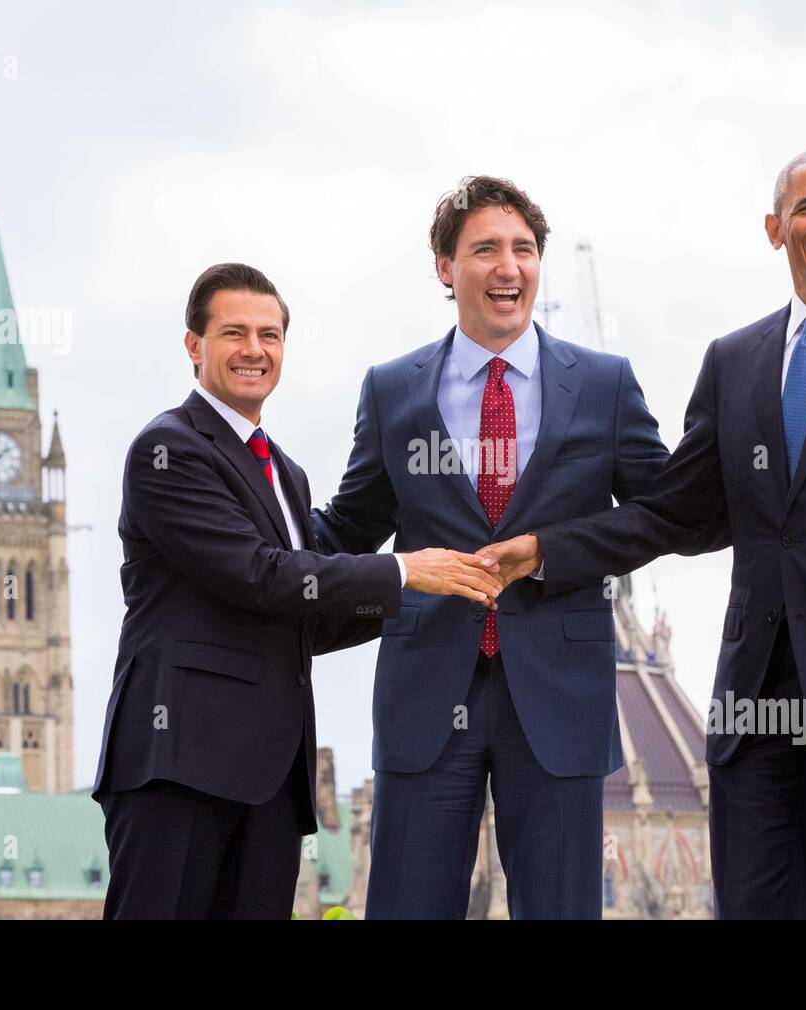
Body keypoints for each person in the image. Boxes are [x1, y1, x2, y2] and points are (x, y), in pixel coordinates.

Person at [485, 148, 806, 919]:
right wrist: (547, 551)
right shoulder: (735, 361)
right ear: (774, 228)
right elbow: (676, 512)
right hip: (754, 711)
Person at [311, 177, 683, 919]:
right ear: (447, 269)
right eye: (485, 249)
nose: (509, 266)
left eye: (523, 249)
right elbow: (348, 529)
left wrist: (547, 550)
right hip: (426, 696)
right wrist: (248, 544)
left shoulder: (604, 385)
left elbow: (666, 513)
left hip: (560, 699)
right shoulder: (393, 391)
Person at [91, 263, 501, 919]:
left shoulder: (285, 471)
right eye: (234, 333)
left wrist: (439, 584)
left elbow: (303, 614)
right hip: (179, 768)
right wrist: (406, 570)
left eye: (270, 335)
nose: (255, 350)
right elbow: (260, 575)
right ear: (194, 346)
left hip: (271, 783)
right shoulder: (167, 451)